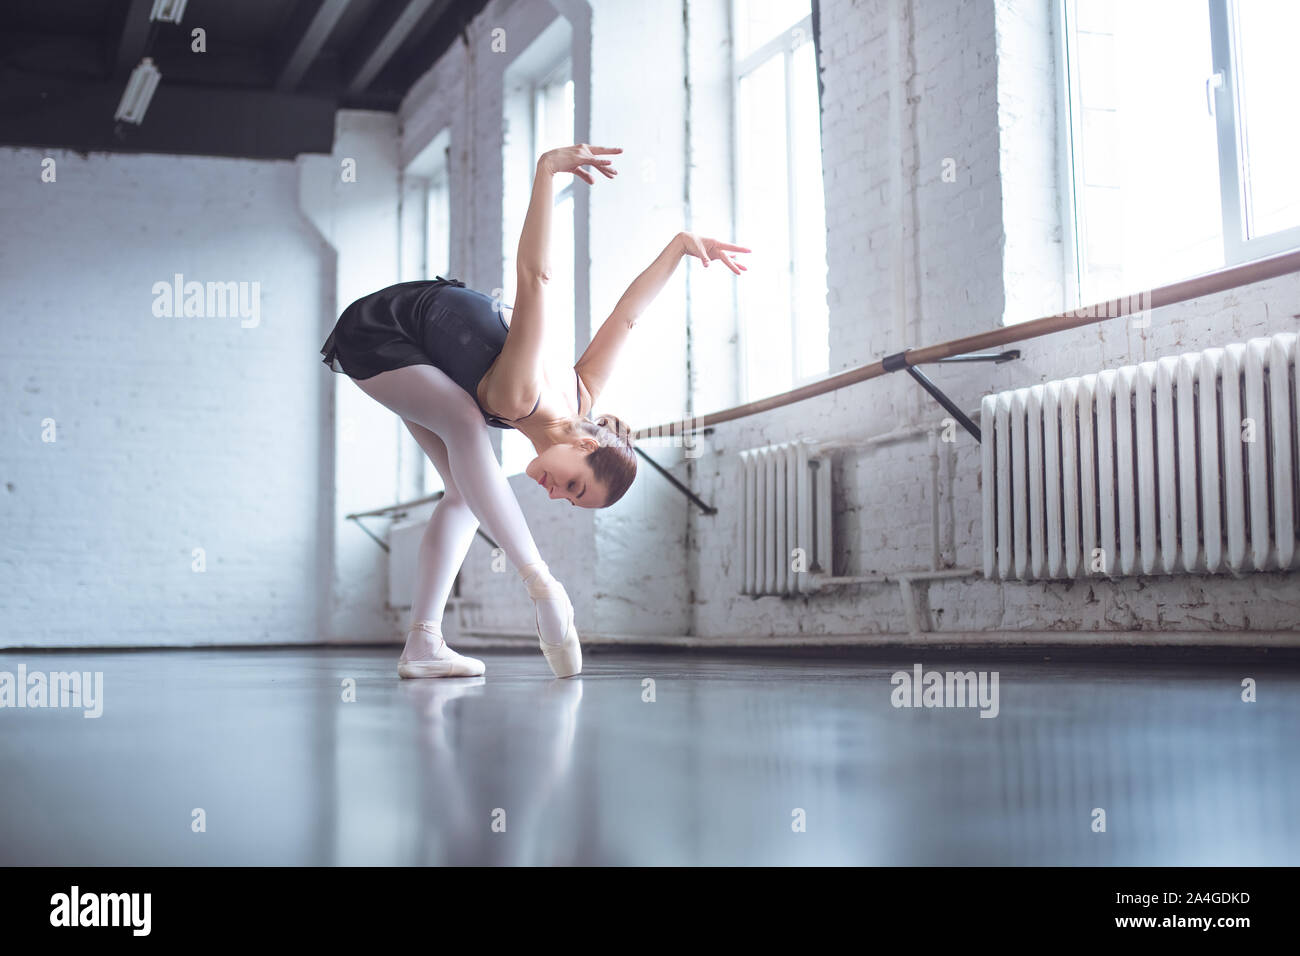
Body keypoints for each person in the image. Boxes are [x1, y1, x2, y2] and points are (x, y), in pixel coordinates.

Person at [319, 143, 749, 679]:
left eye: (568, 500)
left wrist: (681, 247)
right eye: (574, 486)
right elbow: (536, 277)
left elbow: (628, 319)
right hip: (383, 327)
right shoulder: (523, 395)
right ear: (586, 445)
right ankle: (540, 583)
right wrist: (546, 172)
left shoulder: (580, 396)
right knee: (463, 421)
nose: (554, 493)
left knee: (466, 492)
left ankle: (423, 643)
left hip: (425, 348)